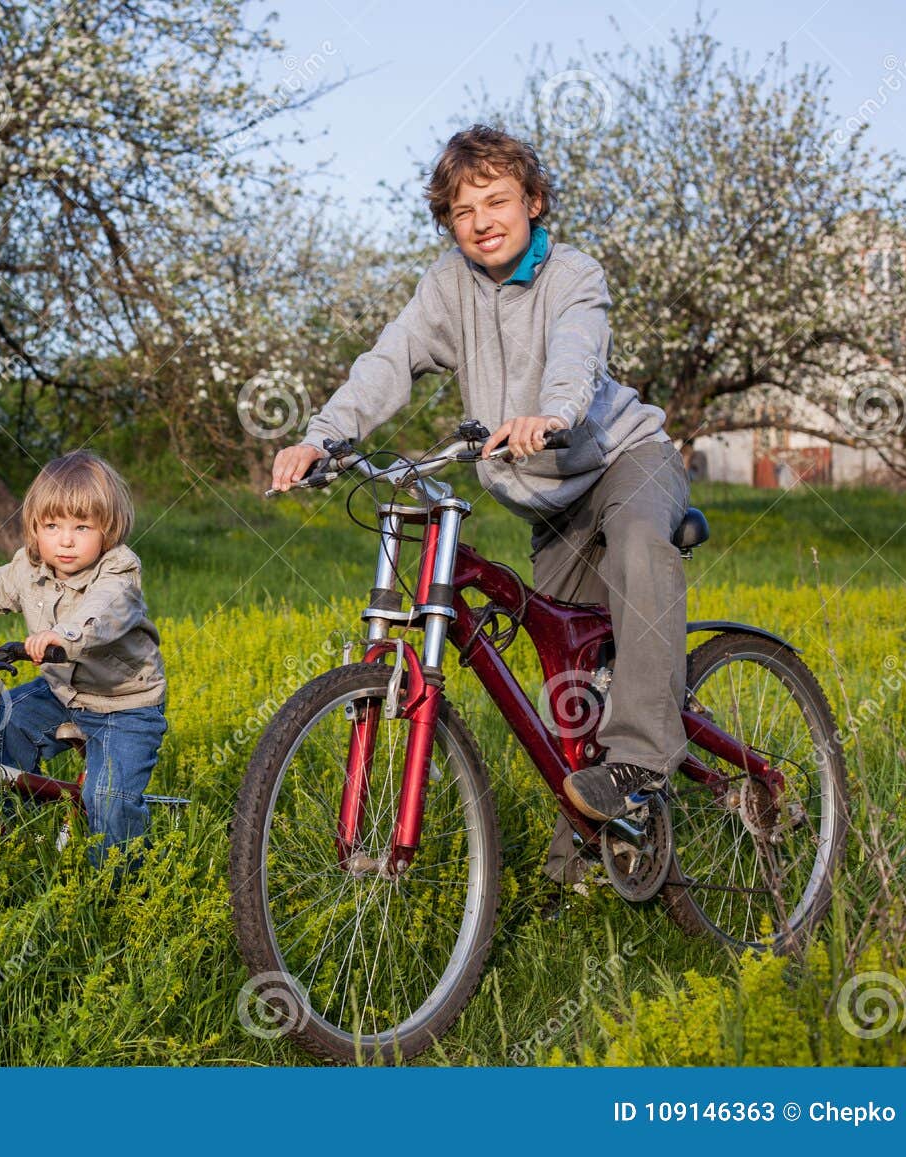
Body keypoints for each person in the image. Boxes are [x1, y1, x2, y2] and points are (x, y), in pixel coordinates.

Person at [271, 124, 690, 886]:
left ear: (532, 201)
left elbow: (576, 351)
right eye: (463, 211)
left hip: (623, 459)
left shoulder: (573, 274)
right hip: (551, 505)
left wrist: (552, 414)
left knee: (638, 548)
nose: (481, 221)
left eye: (496, 201)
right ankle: (582, 865)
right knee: (568, 679)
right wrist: (322, 437)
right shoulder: (447, 286)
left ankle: (640, 764)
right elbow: (390, 359)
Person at [0, 450, 167, 867]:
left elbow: (100, 611)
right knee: (1, 727)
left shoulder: (119, 571)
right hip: (61, 692)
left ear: (108, 529)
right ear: (34, 527)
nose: (65, 540)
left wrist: (62, 636)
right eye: (52, 526)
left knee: (109, 798)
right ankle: (5, 842)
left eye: (82, 527)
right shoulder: (28, 567)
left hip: (124, 705)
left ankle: (119, 885)